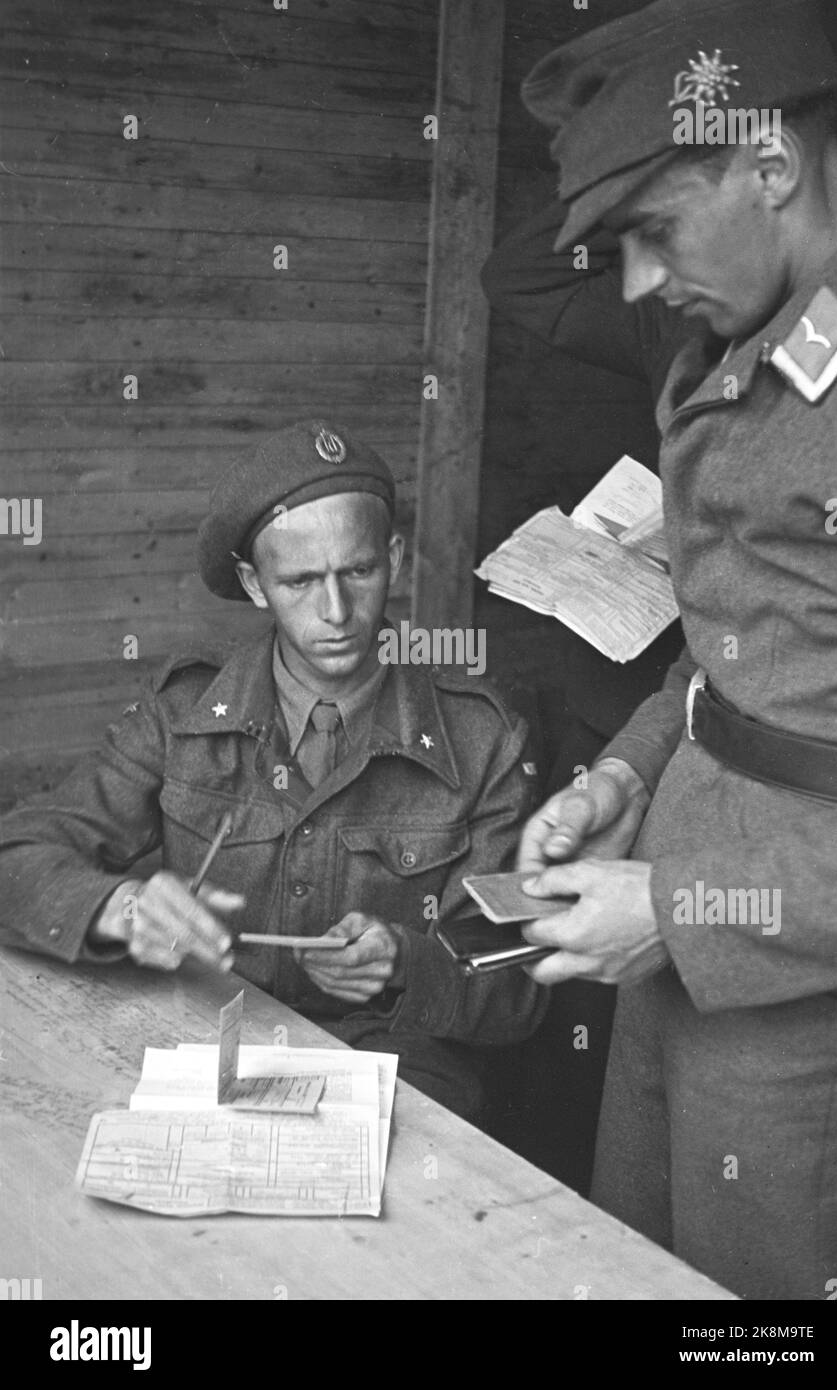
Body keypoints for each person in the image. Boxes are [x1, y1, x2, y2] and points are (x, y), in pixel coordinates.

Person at [502, 0, 837, 1299]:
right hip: (680, 901)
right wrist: (623, 779)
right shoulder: (747, 336)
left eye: (656, 229)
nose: (641, 284)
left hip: (806, 991)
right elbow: (737, 649)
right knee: (642, 1263)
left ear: (771, 162)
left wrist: (674, 910)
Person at [0, 420, 547, 1119]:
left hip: (399, 1072)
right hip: (206, 1043)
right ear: (255, 586)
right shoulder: (186, 712)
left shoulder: (481, 737)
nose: (338, 611)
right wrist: (119, 908)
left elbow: (521, 988)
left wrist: (408, 962)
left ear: (398, 560)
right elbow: (16, 854)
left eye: (359, 571)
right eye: (300, 581)